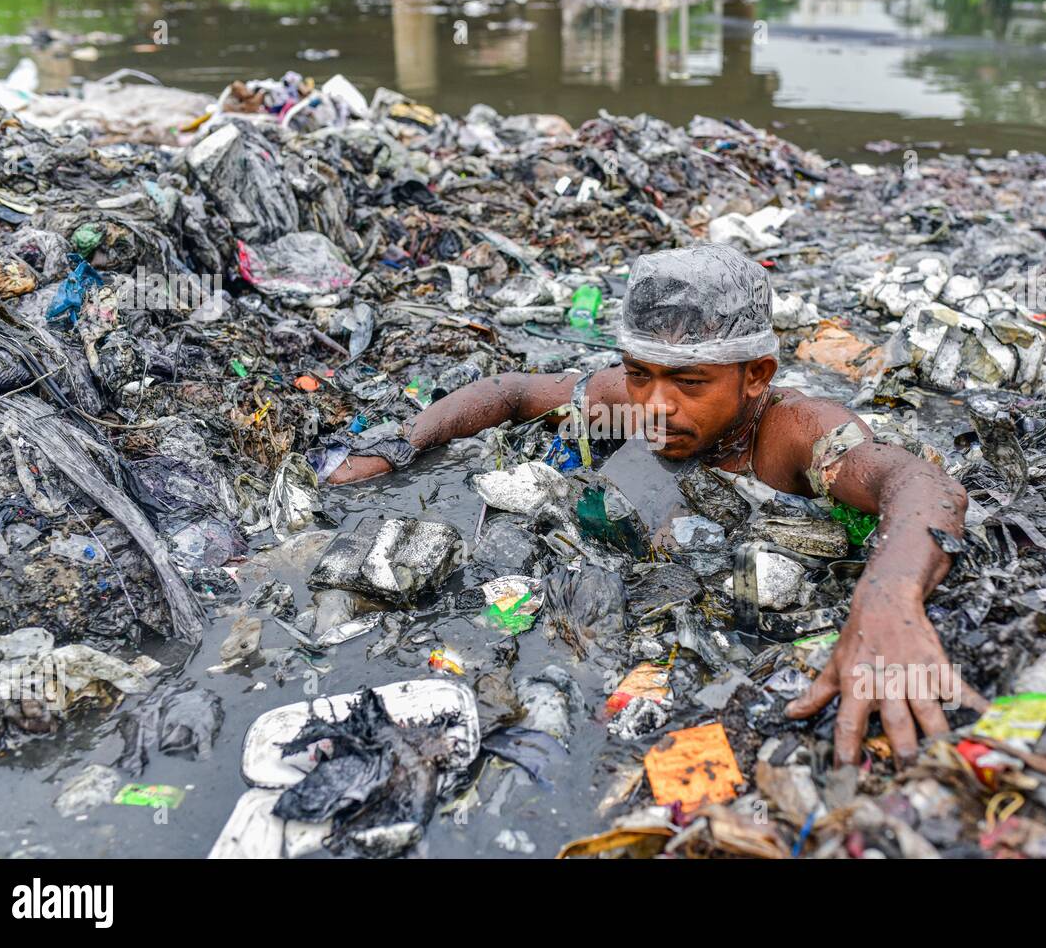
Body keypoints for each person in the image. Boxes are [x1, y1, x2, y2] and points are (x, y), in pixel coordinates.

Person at [327, 243, 983, 765]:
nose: (657, 405)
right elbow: (514, 391)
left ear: (756, 373)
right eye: (641, 372)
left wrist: (888, 598)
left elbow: (922, 485)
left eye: (690, 383)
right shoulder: (629, 399)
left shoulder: (794, 433)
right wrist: (401, 447)